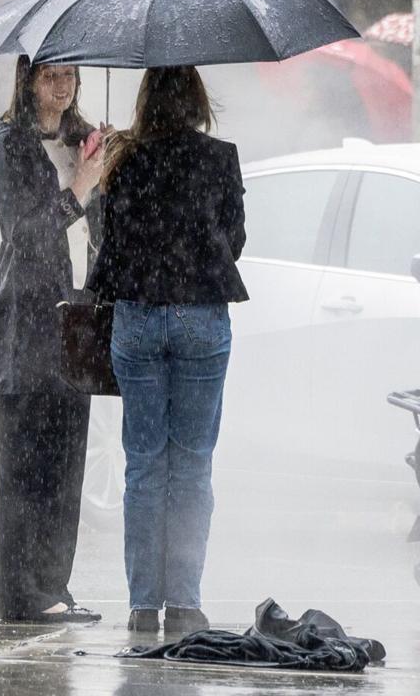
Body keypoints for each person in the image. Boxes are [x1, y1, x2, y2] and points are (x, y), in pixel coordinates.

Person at [86, 66, 247, 635]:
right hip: (200, 314)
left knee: (145, 462)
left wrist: (111, 162)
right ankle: (183, 599)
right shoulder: (220, 157)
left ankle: (141, 604)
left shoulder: (123, 157)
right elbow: (236, 239)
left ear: (146, 99)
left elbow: (103, 237)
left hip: (137, 319)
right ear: (197, 100)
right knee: (193, 463)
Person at [0, 56, 104, 624]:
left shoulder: (85, 141)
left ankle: (54, 587)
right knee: (27, 471)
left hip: (74, 322)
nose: (62, 87)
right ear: (27, 79)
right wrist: (78, 189)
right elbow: (24, 235)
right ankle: (24, 595)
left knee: (66, 467)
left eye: (71, 76)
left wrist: (105, 171)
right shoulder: (10, 145)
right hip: (26, 326)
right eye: (52, 75)